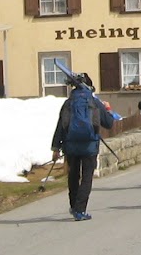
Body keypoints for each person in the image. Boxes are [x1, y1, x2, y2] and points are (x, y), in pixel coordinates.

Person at [50, 72, 119, 220]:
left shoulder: (69, 103)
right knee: (87, 177)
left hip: (71, 146)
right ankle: (80, 210)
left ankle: (74, 205)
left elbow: (61, 126)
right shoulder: (93, 101)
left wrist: (56, 147)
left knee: (73, 176)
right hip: (89, 145)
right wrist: (107, 109)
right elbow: (108, 123)